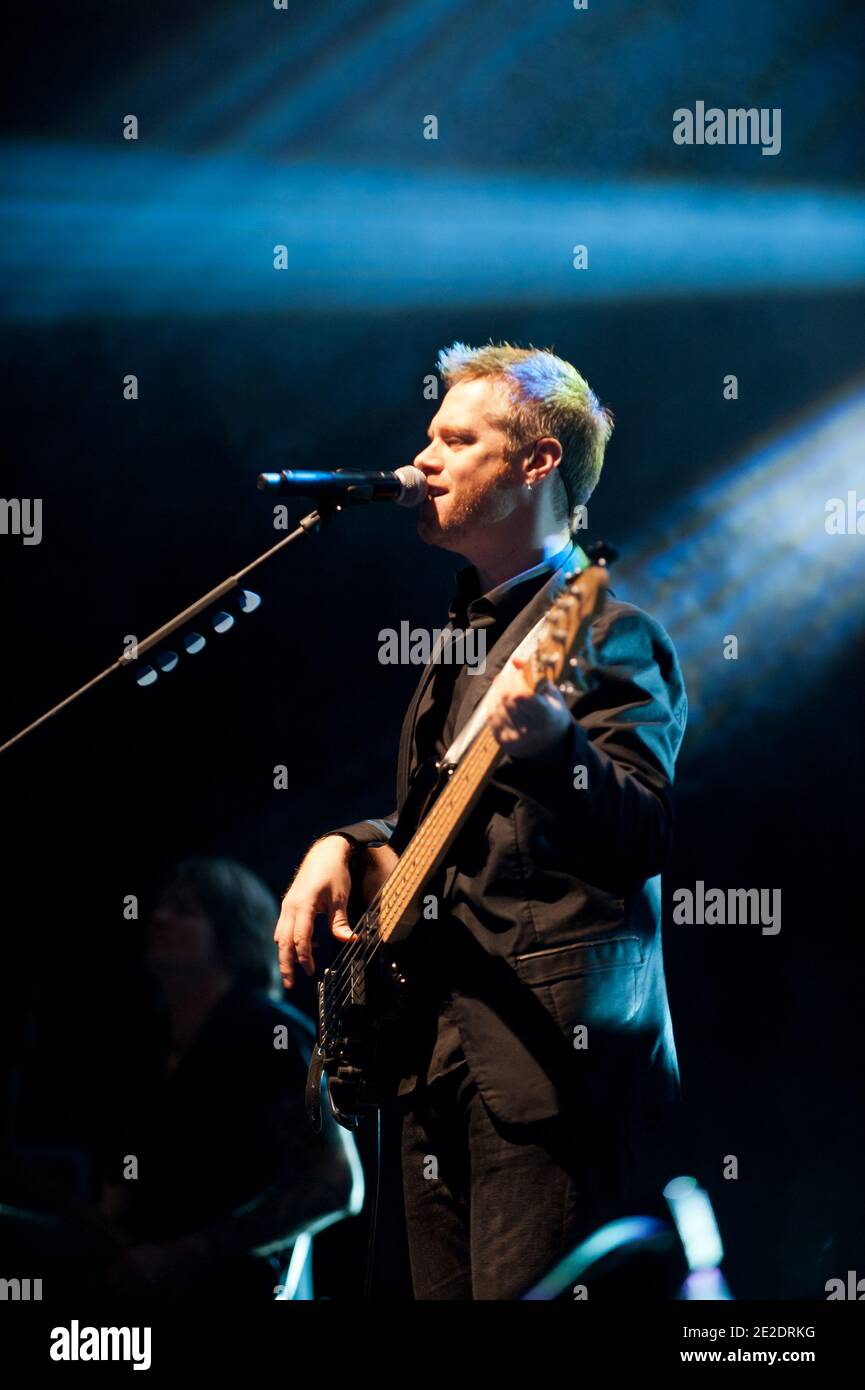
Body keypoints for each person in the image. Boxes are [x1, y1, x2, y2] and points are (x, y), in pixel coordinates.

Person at [275, 342, 688, 1300]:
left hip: (546, 1064)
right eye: (427, 437)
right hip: (429, 1052)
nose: (423, 460)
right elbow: (432, 830)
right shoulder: (459, 646)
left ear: (536, 464)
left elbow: (643, 831)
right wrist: (343, 843)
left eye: (455, 439)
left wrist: (553, 747)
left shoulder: (607, 631)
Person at [100, 856, 362, 1299]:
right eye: (162, 906)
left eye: (185, 909)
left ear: (232, 930)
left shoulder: (267, 1032)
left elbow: (337, 1183)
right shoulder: (148, 1049)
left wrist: (190, 1252)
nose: (159, 917)